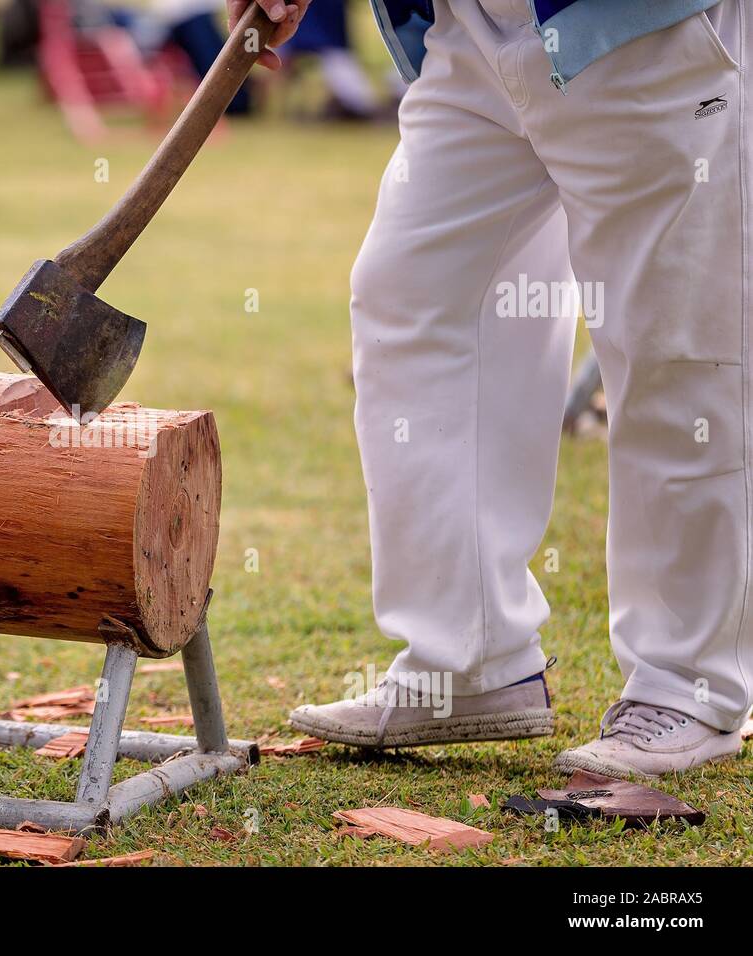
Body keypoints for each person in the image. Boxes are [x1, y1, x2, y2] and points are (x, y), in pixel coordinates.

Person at [235, 0, 751, 778]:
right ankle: (467, 656)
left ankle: (689, 685)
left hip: (642, 24)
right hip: (469, 29)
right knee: (415, 293)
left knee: (673, 340)